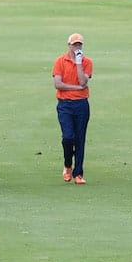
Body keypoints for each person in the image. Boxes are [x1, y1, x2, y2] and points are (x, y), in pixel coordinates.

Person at [53, 33, 93, 184]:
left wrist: (78, 63)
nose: (77, 47)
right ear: (68, 45)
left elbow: (83, 81)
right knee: (68, 138)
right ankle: (68, 164)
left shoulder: (86, 62)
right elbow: (58, 84)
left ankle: (78, 174)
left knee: (80, 139)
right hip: (65, 105)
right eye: (74, 44)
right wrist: (76, 88)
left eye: (79, 44)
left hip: (81, 104)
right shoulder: (60, 61)